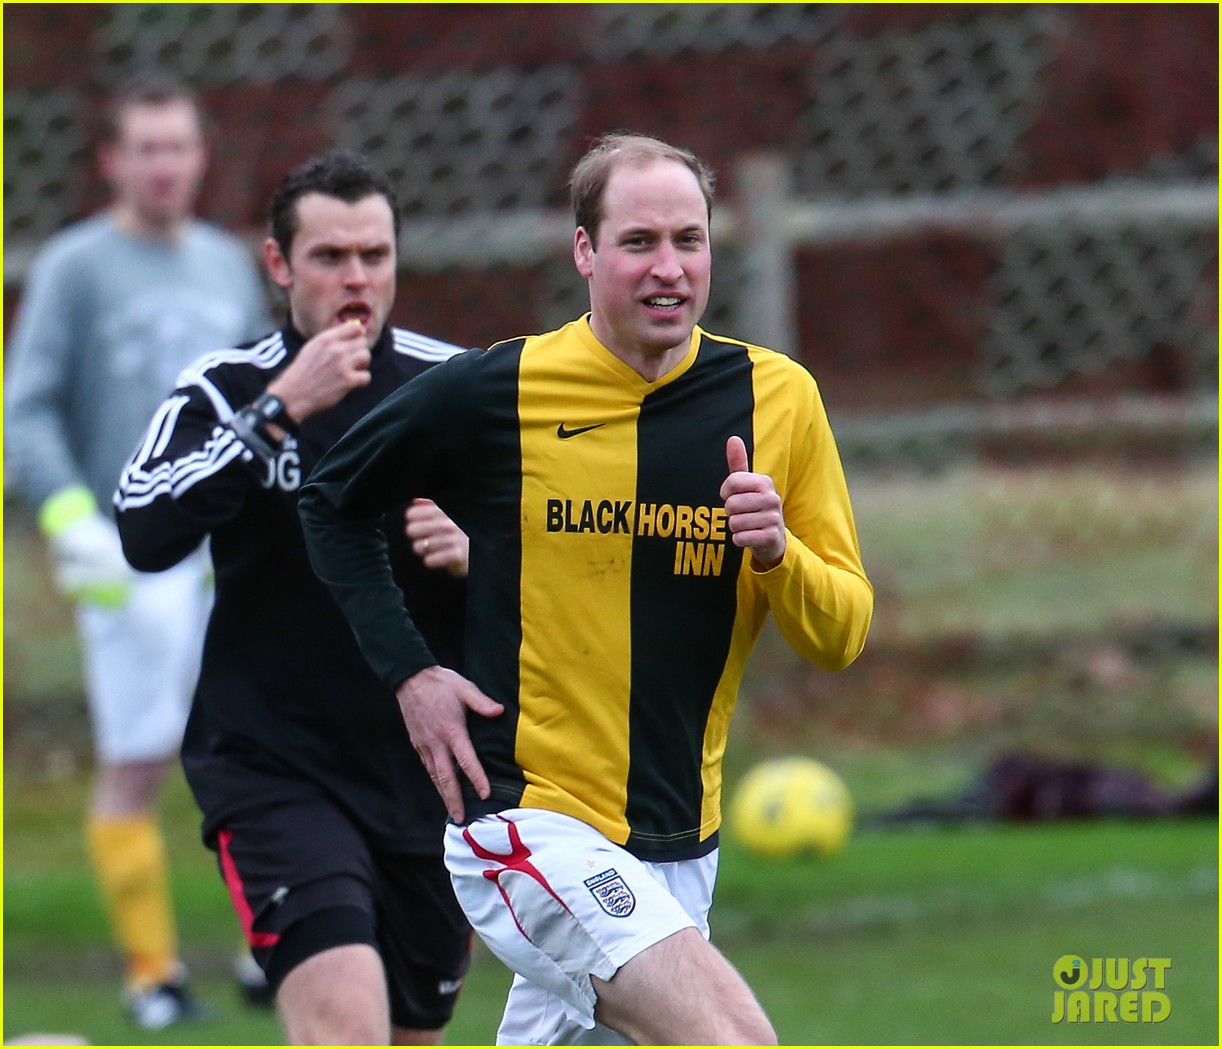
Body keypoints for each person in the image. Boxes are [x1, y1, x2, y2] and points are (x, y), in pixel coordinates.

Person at [299, 132, 875, 1045]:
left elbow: (841, 634)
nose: (668, 268)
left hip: (681, 844)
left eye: (689, 240)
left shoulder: (780, 399)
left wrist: (777, 555)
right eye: (638, 241)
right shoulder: (499, 389)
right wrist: (412, 674)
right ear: (584, 251)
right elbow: (331, 501)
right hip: (526, 821)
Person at [113, 148, 474, 1046]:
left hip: (429, 776)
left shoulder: (461, 389)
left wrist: (482, 553)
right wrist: (279, 409)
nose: (357, 278)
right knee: (345, 1021)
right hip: (274, 767)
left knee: (409, 1033)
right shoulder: (227, 389)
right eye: (329, 257)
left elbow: (564, 549)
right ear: (279, 265)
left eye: (375, 256)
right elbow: (145, 526)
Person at [4, 71, 271, 1028]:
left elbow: (263, 399)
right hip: (123, 562)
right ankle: (152, 971)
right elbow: (24, 408)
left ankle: (267, 944)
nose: (165, 166)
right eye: (145, 148)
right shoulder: (77, 267)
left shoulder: (227, 265)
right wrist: (74, 520)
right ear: (113, 160)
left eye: (180, 146)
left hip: (224, 554)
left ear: (202, 155)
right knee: (140, 757)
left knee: (253, 741)